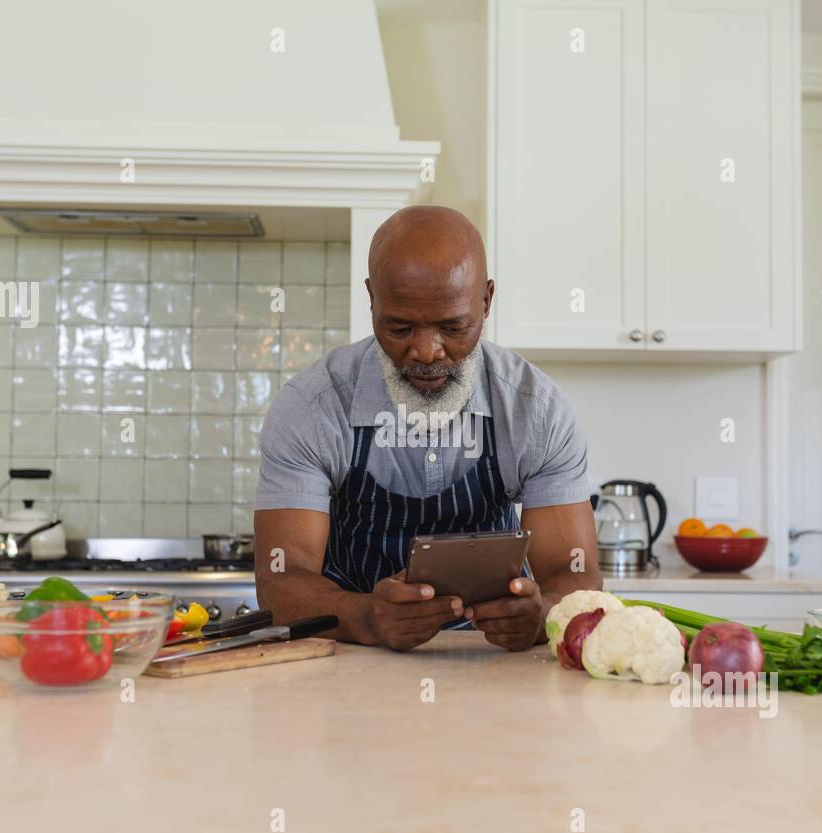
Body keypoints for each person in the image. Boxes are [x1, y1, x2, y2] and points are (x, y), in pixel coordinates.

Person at [253, 205, 601, 652]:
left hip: (492, 664)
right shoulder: (312, 407)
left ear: (487, 301)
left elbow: (574, 573)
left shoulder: (535, 411)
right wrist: (366, 617)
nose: (426, 351)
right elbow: (281, 582)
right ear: (371, 299)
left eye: (453, 327)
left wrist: (543, 615)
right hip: (353, 654)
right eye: (400, 326)